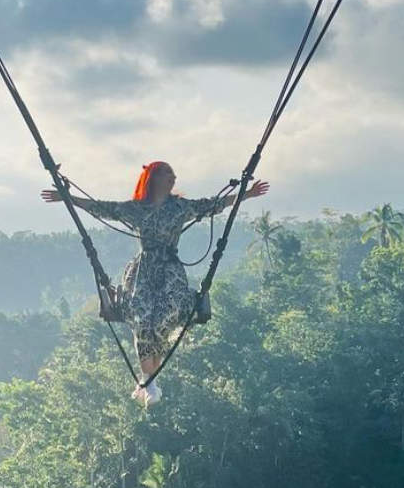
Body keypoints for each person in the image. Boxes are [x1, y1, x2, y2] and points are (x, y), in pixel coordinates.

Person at [43, 161, 270, 405]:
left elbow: (214, 204)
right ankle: (147, 378)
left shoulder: (180, 207)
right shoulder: (137, 209)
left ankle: (151, 378)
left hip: (169, 268)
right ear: (154, 178)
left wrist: (246, 195)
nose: (173, 177)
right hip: (144, 268)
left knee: (165, 313)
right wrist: (67, 197)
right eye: (167, 174)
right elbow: (101, 208)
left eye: (173, 173)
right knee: (141, 314)